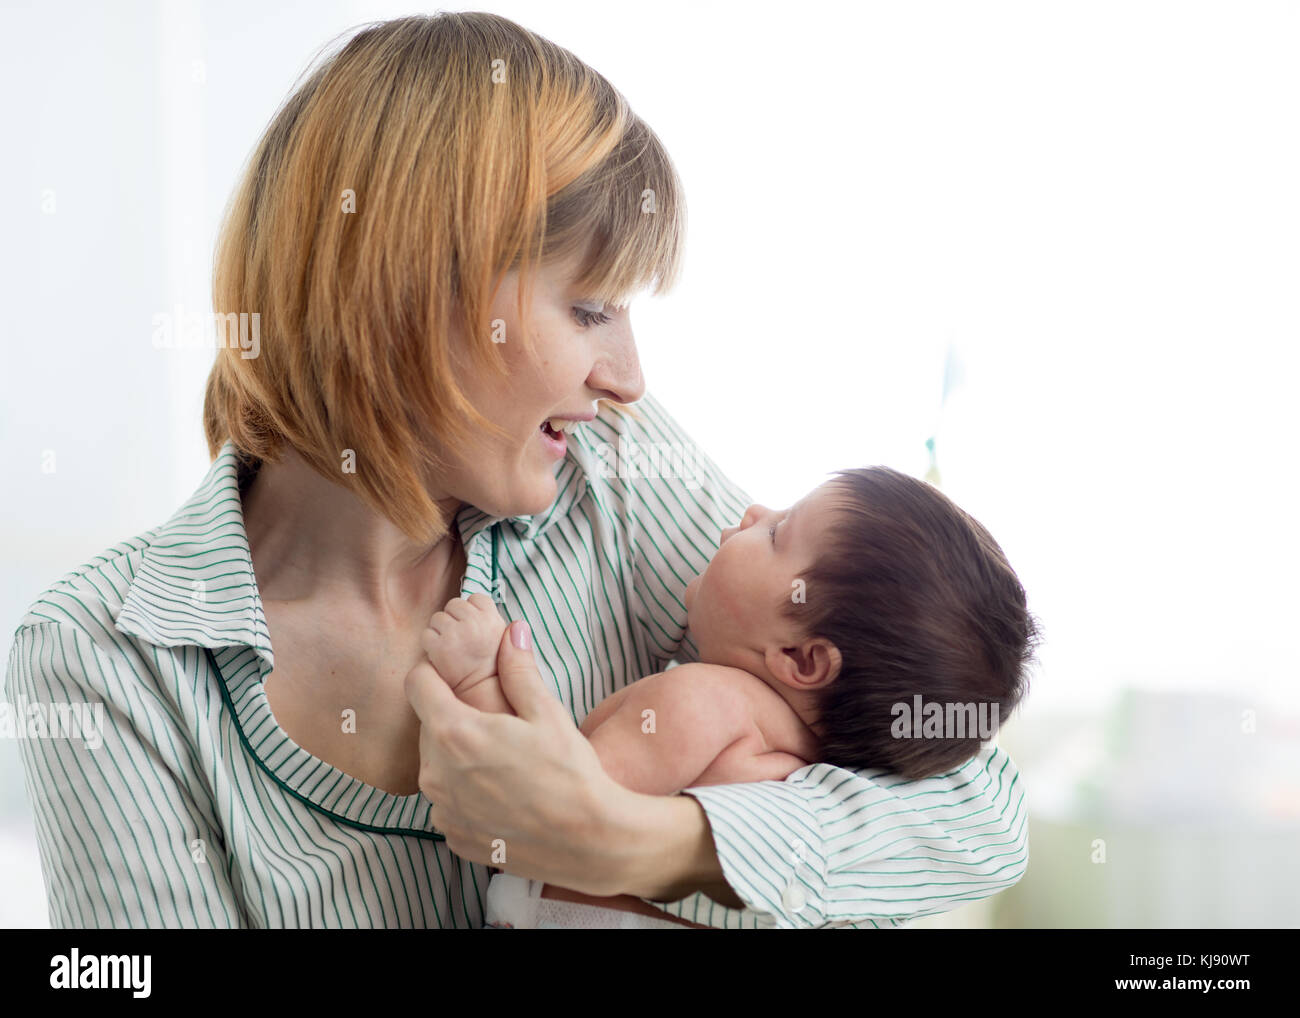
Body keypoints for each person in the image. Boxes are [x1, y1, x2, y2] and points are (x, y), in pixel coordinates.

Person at [4, 12, 1028, 929]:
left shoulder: (610, 474)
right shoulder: (105, 659)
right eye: (589, 310)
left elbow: (975, 804)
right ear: (407, 291)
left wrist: (637, 840)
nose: (627, 378)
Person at [414, 467, 1040, 927]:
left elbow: (539, 811)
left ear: (800, 659)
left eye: (776, 534)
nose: (751, 513)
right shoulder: (819, 765)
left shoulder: (705, 705)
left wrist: (481, 680)